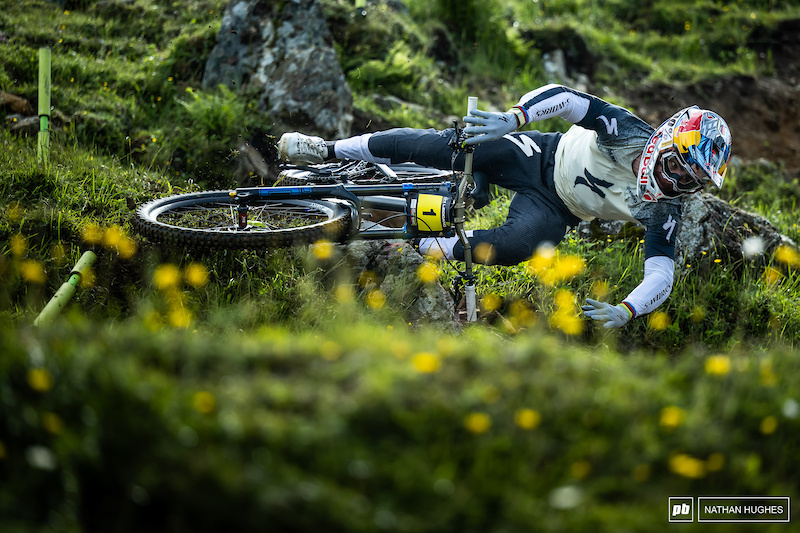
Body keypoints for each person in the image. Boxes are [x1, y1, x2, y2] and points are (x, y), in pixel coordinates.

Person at [276, 84, 732, 329]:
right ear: (666, 140)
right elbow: (568, 98)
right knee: (446, 146)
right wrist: (513, 119)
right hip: (538, 154)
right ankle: (328, 150)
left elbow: (661, 274)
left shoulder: (664, 209)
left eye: (690, 182)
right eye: (677, 167)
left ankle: (424, 248)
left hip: (558, 208)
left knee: (517, 245)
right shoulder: (626, 129)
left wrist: (628, 310)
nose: (675, 182)